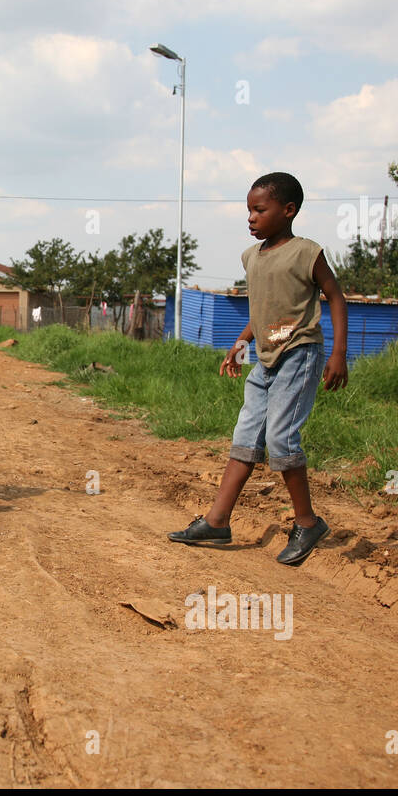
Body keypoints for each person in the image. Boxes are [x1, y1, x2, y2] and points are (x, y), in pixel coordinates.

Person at [168, 172, 348, 565]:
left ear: (288, 211)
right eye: (248, 210)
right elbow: (262, 309)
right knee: (246, 436)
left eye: (259, 210)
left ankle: (307, 522)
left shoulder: (307, 252)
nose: (250, 217)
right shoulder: (251, 257)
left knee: (282, 438)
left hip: (299, 354)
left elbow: (335, 296)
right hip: (264, 359)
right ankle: (217, 520)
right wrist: (240, 343)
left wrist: (338, 354)